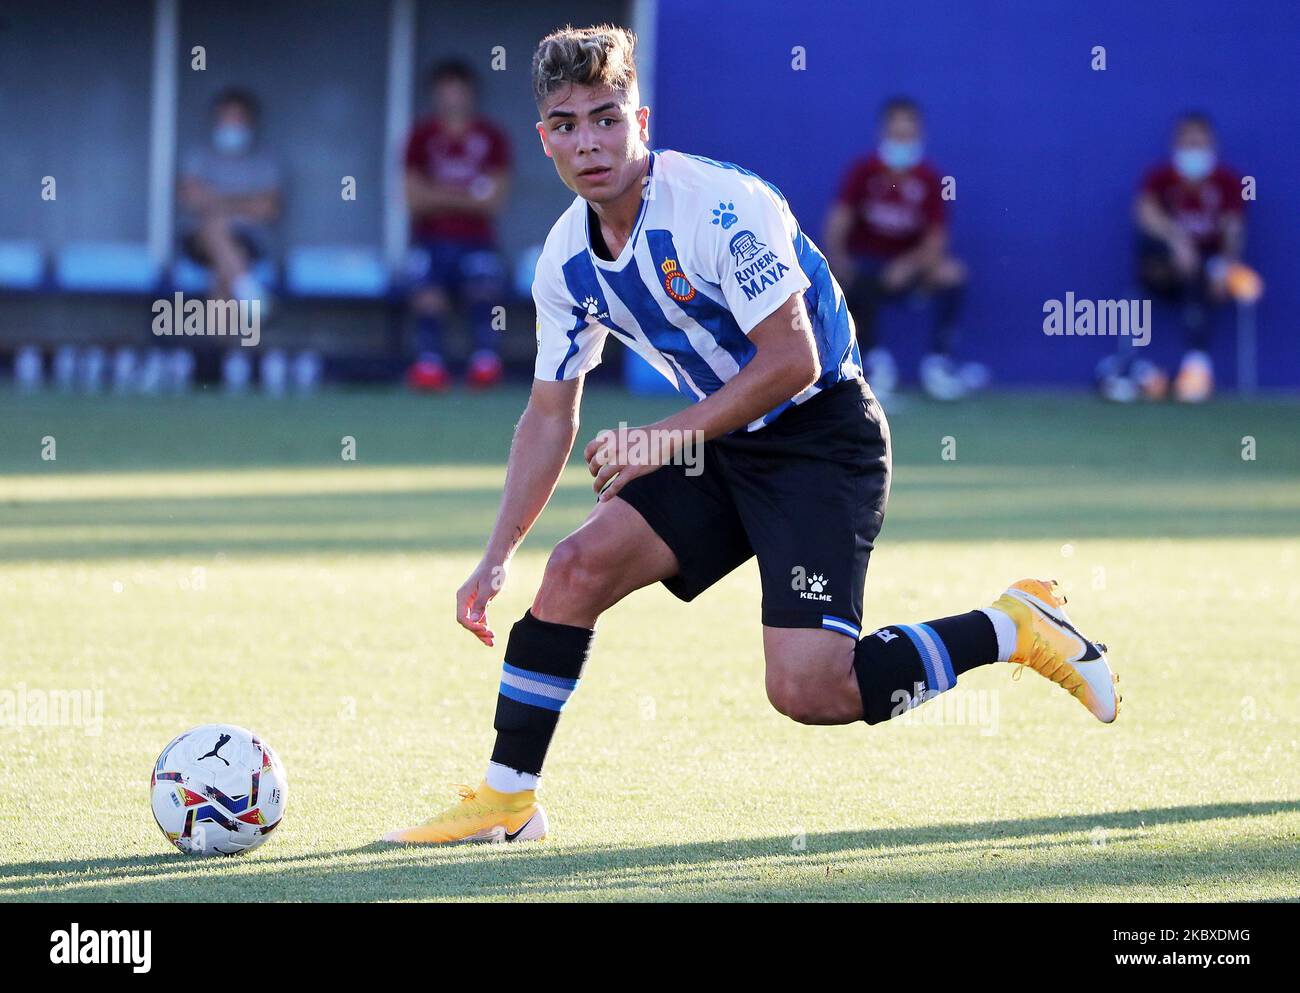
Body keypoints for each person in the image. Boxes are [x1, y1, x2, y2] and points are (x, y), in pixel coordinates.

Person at [384, 25, 1118, 846]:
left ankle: (1011, 627)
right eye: (566, 123)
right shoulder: (563, 261)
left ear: (643, 121)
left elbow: (793, 359)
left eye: (606, 117)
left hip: (822, 432)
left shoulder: (720, 205)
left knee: (811, 689)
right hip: (722, 441)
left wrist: (664, 437)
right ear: (543, 138)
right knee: (573, 567)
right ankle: (506, 801)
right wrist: (494, 554)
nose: (589, 142)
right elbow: (549, 413)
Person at [823, 98, 985, 400]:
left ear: (918, 135)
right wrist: (838, 259)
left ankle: (938, 364)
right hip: (865, 268)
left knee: (952, 274)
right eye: (895, 135)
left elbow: (936, 239)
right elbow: (838, 221)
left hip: (907, 269)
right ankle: (872, 364)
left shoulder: (929, 179)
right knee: (845, 277)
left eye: (907, 135)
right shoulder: (863, 172)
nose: (901, 142)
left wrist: (909, 266)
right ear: (883, 134)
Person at [403, 60, 511, 390]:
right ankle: (429, 365)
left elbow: (493, 201)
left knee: (484, 284)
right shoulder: (421, 137)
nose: (452, 98)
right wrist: (467, 194)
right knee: (425, 286)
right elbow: (414, 199)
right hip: (429, 238)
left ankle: (485, 363)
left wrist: (439, 193)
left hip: (478, 239)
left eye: (458, 90)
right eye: (445, 90)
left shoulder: (492, 137)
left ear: (471, 94)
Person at [1127, 112, 1247, 402]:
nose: (1194, 151)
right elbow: (1144, 214)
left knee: (1208, 271)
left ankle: (1196, 369)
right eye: (1188, 143)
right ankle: (1135, 369)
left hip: (1207, 269)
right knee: (1174, 258)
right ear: (1176, 145)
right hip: (1163, 266)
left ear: (1212, 146)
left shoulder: (1228, 182)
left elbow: (1233, 230)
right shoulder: (1160, 178)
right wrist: (1176, 240)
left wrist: (1227, 267)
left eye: (1200, 144)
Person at [178, 88, 282, 307]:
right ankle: (247, 291)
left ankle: (222, 335)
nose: (231, 124)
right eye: (226, 117)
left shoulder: (265, 161)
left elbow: (268, 208)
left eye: (237, 118)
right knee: (216, 230)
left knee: (223, 264)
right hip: (198, 241)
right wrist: (245, 204)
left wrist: (217, 202)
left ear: (249, 121)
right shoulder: (199, 155)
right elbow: (190, 198)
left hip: (250, 239)